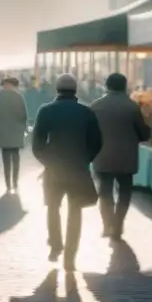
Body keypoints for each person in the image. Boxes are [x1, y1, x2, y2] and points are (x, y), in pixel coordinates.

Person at [31, 73, 103, 272]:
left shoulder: (45, 111)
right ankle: (70, 256)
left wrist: (48, 162)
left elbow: (37, 145)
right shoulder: (86, 112)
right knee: (75, 210)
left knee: (53, 208)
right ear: (75, 90)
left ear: (57, 89)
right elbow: (97, 142)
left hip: (54, 170)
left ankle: (55, 246)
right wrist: (84, 159)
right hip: (77, 169)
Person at [90, 72, 151, 240]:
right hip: (126, 158)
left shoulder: (96, 106)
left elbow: (89, 132)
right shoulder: (132, 107)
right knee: (125, 192)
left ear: (106, 86)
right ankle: (118, 224)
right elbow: (144, 134)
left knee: (104, 193)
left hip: (102, 156)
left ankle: (108, 224)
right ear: (125, 86)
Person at [0, 76, 29, 192]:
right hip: (16, 132)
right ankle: (15, 182)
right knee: (16, 158)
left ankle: (8, 183)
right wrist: (24, 128)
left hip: (3, 131)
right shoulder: (19, 96)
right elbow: (23, 115)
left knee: (5, 159)